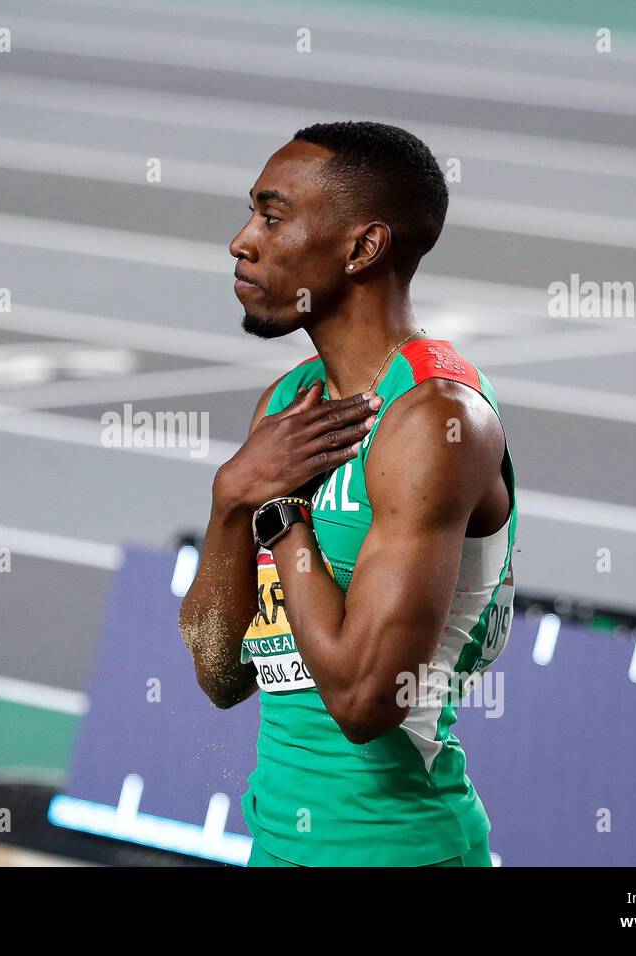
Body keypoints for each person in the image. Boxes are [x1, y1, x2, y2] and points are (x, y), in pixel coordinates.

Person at [177, 121, 517, 867]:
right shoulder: (289, 404)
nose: (242, 240)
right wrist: (231, 496)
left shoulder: (436, 420)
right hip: (277, 845)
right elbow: (218, 672)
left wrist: (282, 520)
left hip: (398, 851)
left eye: (272, 216)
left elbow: (366, 701)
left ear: (363, 249)